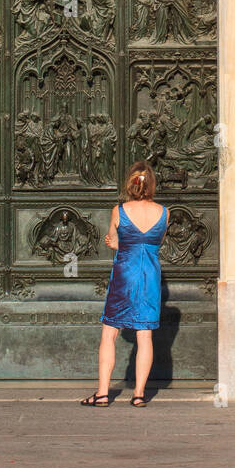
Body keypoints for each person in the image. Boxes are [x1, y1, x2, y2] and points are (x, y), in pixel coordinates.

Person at [81, 161, 166, 408]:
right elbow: (155, 242)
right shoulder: (164, 212)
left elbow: (115, 240)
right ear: (152, 184)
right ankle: (139, 394)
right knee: (144, 333)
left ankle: (103, 393)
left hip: (124, 274)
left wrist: (114, 243)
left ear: (130, 183)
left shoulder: (119, 210)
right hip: (149, 275)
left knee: (110, 332)